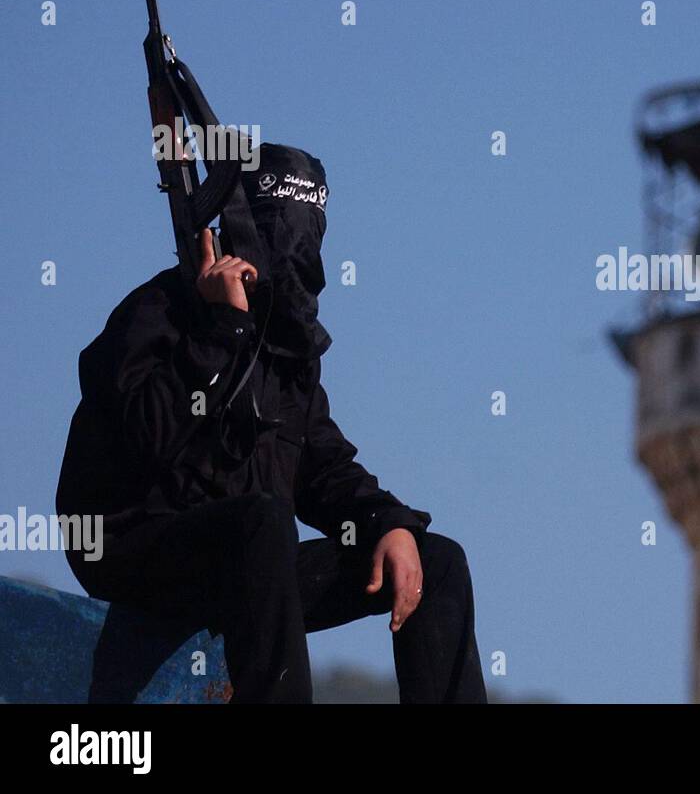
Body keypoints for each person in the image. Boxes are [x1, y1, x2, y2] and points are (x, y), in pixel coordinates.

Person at [56, 143, 486, 703]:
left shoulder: (285, 348)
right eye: (280, 226)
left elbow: (324, 469)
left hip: (252, 572)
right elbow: (147, 435)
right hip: (136, 553)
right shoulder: (154, 312)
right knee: (263, 521)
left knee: (433, 560)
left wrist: (386, 523)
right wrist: (221, 328)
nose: (295, 250)